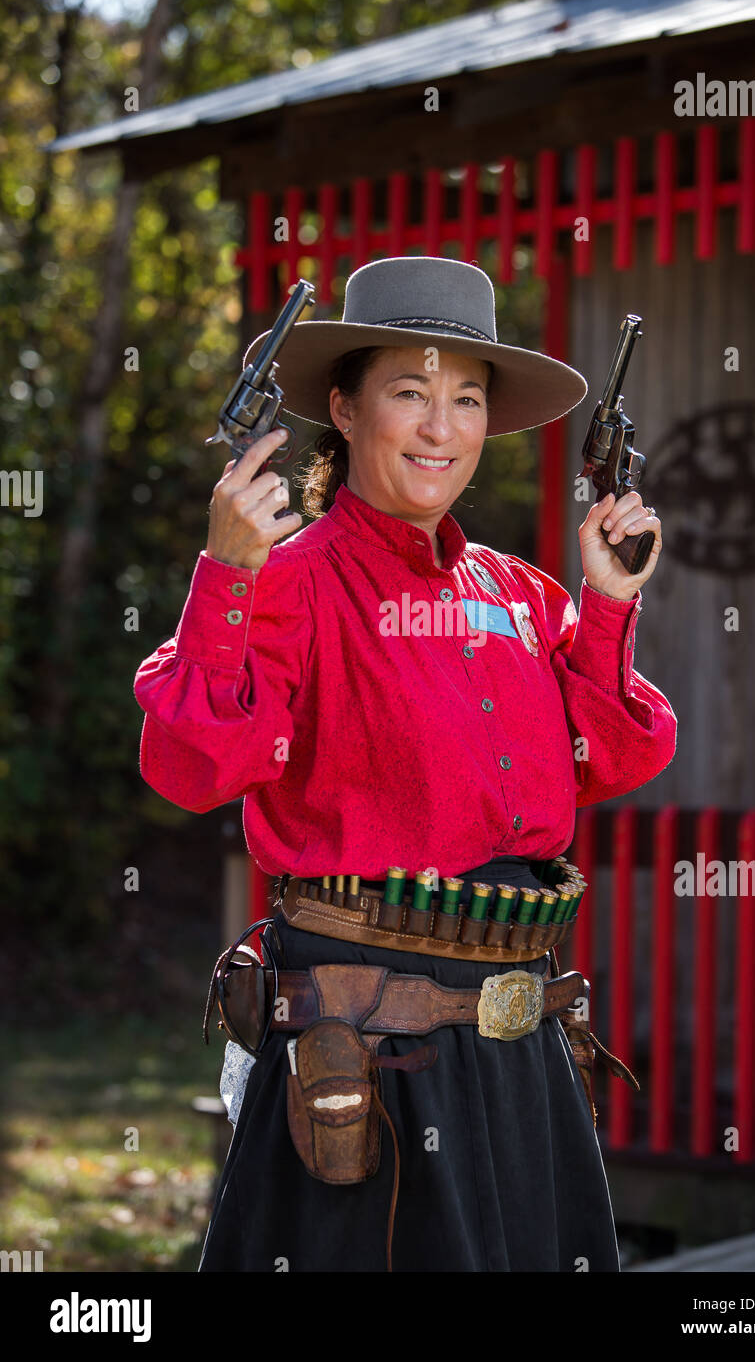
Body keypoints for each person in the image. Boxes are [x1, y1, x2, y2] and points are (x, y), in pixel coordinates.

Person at [133, 255, 677, 1273]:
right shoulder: (282, 581)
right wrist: (223, 578)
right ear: (342, 410)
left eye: (465, 398)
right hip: (367, 1055)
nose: (440, 427)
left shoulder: (518, 593)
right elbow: (187, 767)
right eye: (409, 394)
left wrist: (602, 602)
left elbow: (608, 755)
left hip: (519, 1054)